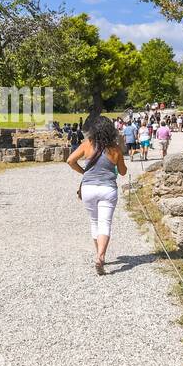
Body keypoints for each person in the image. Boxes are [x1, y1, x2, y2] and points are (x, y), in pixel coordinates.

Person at [66, 116, 128, 275]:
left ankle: (99, 255)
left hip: (88, 189)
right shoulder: (115, 149)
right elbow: (122, 172)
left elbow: (70, 161)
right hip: (108, 189)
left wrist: (84, 172)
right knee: (105, 223)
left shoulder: (87, 145)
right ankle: (101, 256)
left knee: (95, 222)